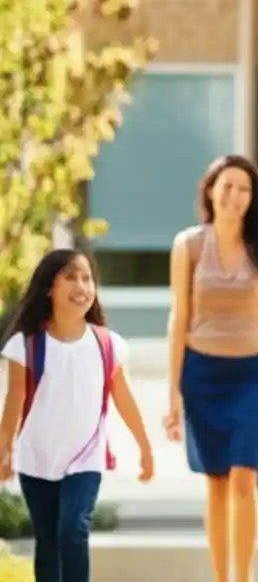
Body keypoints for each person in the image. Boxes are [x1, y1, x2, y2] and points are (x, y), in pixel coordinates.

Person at [164, 154, 258, 582]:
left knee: (244, 477)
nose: (235, 196)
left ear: (252, 198)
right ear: (210, 190)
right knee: (217, 482)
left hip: (255, 375)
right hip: (202, 374)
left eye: (244, 189)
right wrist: (171, 393)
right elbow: (178, 318)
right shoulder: (188, 245)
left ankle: (244, 577)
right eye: (228, 187)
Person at [0, 249, 154, 582]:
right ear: (48, 288)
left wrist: (145, 447)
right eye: (70, 276)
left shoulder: (107, 345)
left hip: (85, 458)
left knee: (73, 530)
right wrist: (6, 450)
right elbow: (14, 402)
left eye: (87, 278)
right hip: (36, 459)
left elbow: (124, 400)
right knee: (48, 541)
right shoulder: (25, 346)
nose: (81, 284)